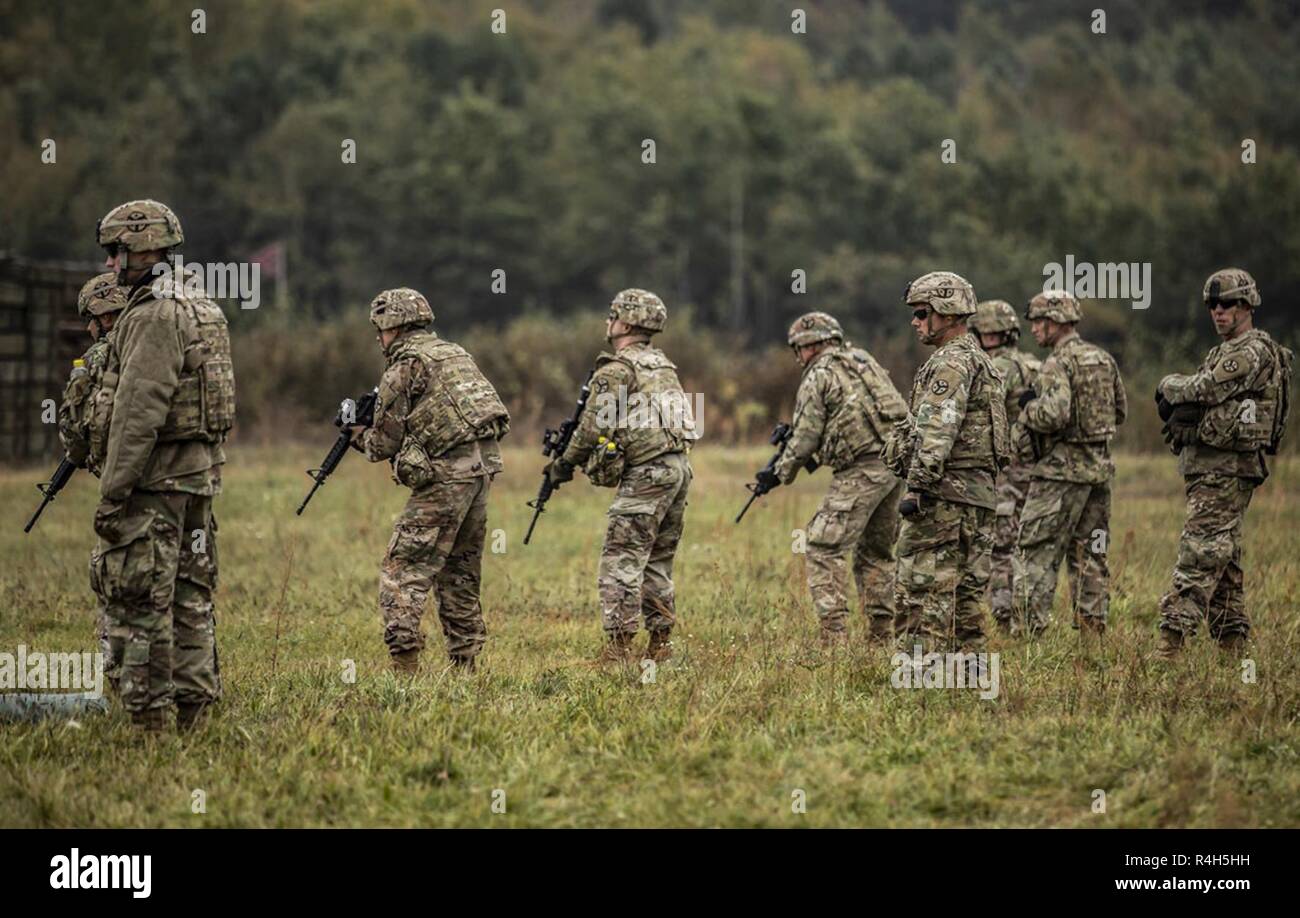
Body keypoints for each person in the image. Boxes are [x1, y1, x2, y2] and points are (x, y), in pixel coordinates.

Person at [92, 200, 233, 731]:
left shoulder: (153, 312)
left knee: (140, 597)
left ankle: (152, 724)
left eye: (115, 252)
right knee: (190, 595)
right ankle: (194, 713)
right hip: (199, 475)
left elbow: (138, 411)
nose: (110, 265)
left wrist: (114, 491)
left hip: (156, 477)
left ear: (141, 247)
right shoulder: (200, 303)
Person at [355, 287, 510, 674]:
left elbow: (381, 445)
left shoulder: (404, 366)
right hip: (482, 470)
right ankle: (465, 664)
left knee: (403, 568)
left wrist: (355, 432)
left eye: (380, 328)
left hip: (446, 478)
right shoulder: (455, 354)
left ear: (394, 325)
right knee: (460, 569)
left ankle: (404, 664)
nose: (378, 337)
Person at [545, 289, 695, 663]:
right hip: (678, 468)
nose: (607, 321)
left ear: (626, 323)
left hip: (647, 473)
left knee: (622, 559)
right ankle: (661, 647)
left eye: (612, 315)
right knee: (658, 559)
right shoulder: (661, 365)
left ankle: (618, 650)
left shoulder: (616, 370)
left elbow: (591, 428)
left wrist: (563, 464)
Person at [1155, 269, 1293, 658]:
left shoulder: (1251, 351)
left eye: (1228, 304)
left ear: (1247, 305)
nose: (1219, 311)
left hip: (1227, 470)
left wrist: (1168, 385)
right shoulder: (1223, 351)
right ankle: (1232, 647)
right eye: (1213, 305)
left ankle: (1170, 645)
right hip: (1212, 466)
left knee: (1199, 552)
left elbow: (1205, 387)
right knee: (1225, 561)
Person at [884, 272, 1008, 653]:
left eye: (922, 313)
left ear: (947, 314)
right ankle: (969, 680)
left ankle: (920, 681)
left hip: (944, 497)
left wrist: (918, 486)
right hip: (978, 496)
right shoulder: (982, 361)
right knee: (966, 599)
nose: (915, 322)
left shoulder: (951, 364)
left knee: (921, 592)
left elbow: (938, 429)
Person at [765, 311, 906, 644]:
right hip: (896, 467)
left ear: (810, 346)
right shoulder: (863, 361)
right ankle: (881, 637)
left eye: (798, 349)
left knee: (822, 546)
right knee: (877, 552)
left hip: (862, 469)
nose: (798, 357)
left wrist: (779, 473)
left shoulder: (819, 375)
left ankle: (834, 637)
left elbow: (805, 438)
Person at [1011, 291, 1125, 638]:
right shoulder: (1103, 359)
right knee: (1092, 554)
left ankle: (1027, 637)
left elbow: (1054, 414)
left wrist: (1028, 407)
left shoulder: (1056, 364)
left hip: (1059, 474)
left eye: (1038, 322)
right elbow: (1119, 411)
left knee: (1035, 552)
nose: (1033, 329)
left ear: (1055, 323)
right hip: (1098, 473)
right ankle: (1093, 635)